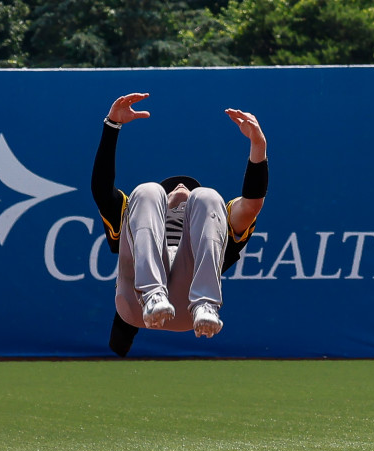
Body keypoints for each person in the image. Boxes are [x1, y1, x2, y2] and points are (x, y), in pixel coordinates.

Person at [91, 92, 268, 356]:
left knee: (208, 195)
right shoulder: (145, 205)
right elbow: (102, 191)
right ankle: (152, 292)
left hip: (189, 306)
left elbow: (251, 204)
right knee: (147, 190)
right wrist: (112, 126)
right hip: (137, 299)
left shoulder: (211, 214)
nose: (183, 187)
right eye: (174, 187)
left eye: (188, 188)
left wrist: (258, 146)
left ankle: (206, 304)